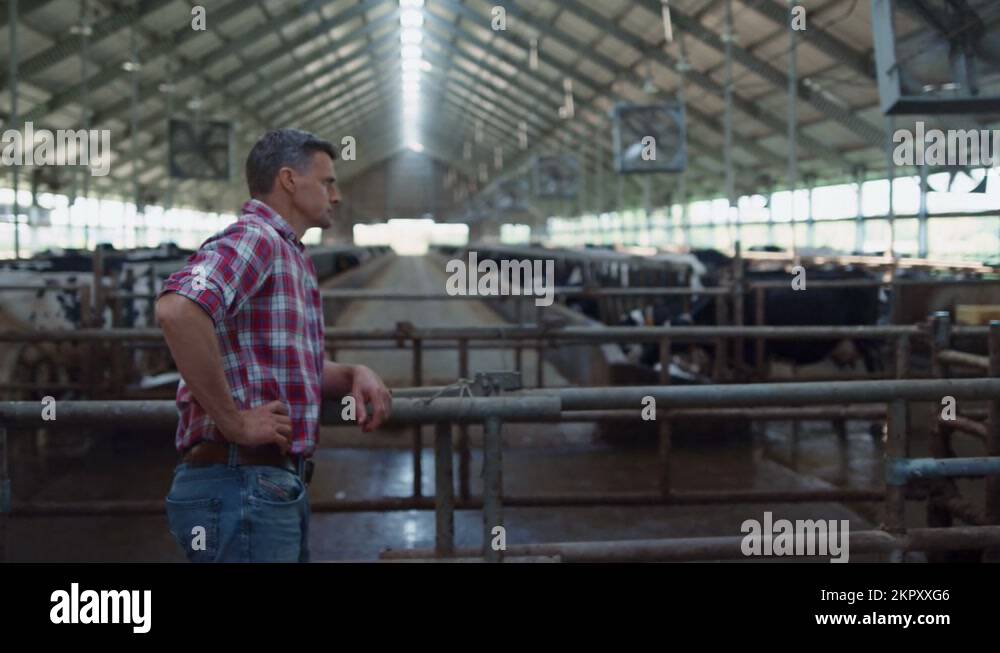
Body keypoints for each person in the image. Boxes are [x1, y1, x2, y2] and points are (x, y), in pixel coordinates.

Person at [156, 128, 392, 562]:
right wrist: (235, 423)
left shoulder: (287, 252)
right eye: (327, 182)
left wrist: (352, 374)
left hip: (262, 485)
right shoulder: (257, 238)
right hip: (241, 481)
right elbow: (178, 310)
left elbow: (287, 366)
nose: (336, 195)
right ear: (289, 180)